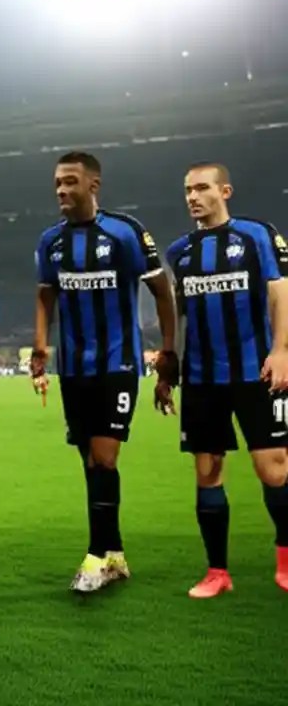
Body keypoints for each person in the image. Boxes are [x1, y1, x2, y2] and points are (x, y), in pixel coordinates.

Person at [32, 151, 178, 593]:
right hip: (73, 367)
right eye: (58, 182)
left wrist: (169, 351)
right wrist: (41, 346)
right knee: (89, 460)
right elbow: (45, 296)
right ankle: (114, 552)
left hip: (119, 362)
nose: (62, 189)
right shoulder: (50, 241)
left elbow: (161, 290)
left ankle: (96, 557)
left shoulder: (125, 232)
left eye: (71, 182)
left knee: (104, 457)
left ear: (93, 185)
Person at [162, 162, 288, 597]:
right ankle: (217, 572)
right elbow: (179, 314)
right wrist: (169, 365)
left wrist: (282, 351)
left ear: (225, 191)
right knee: (208, 470)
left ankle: (285, 559)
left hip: (258, 372)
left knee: (273, 469)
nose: (192, 197)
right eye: (187, 190)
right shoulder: (179, 250)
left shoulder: (257, 235)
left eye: (201, 188)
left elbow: (280, 292)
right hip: (201, 379)